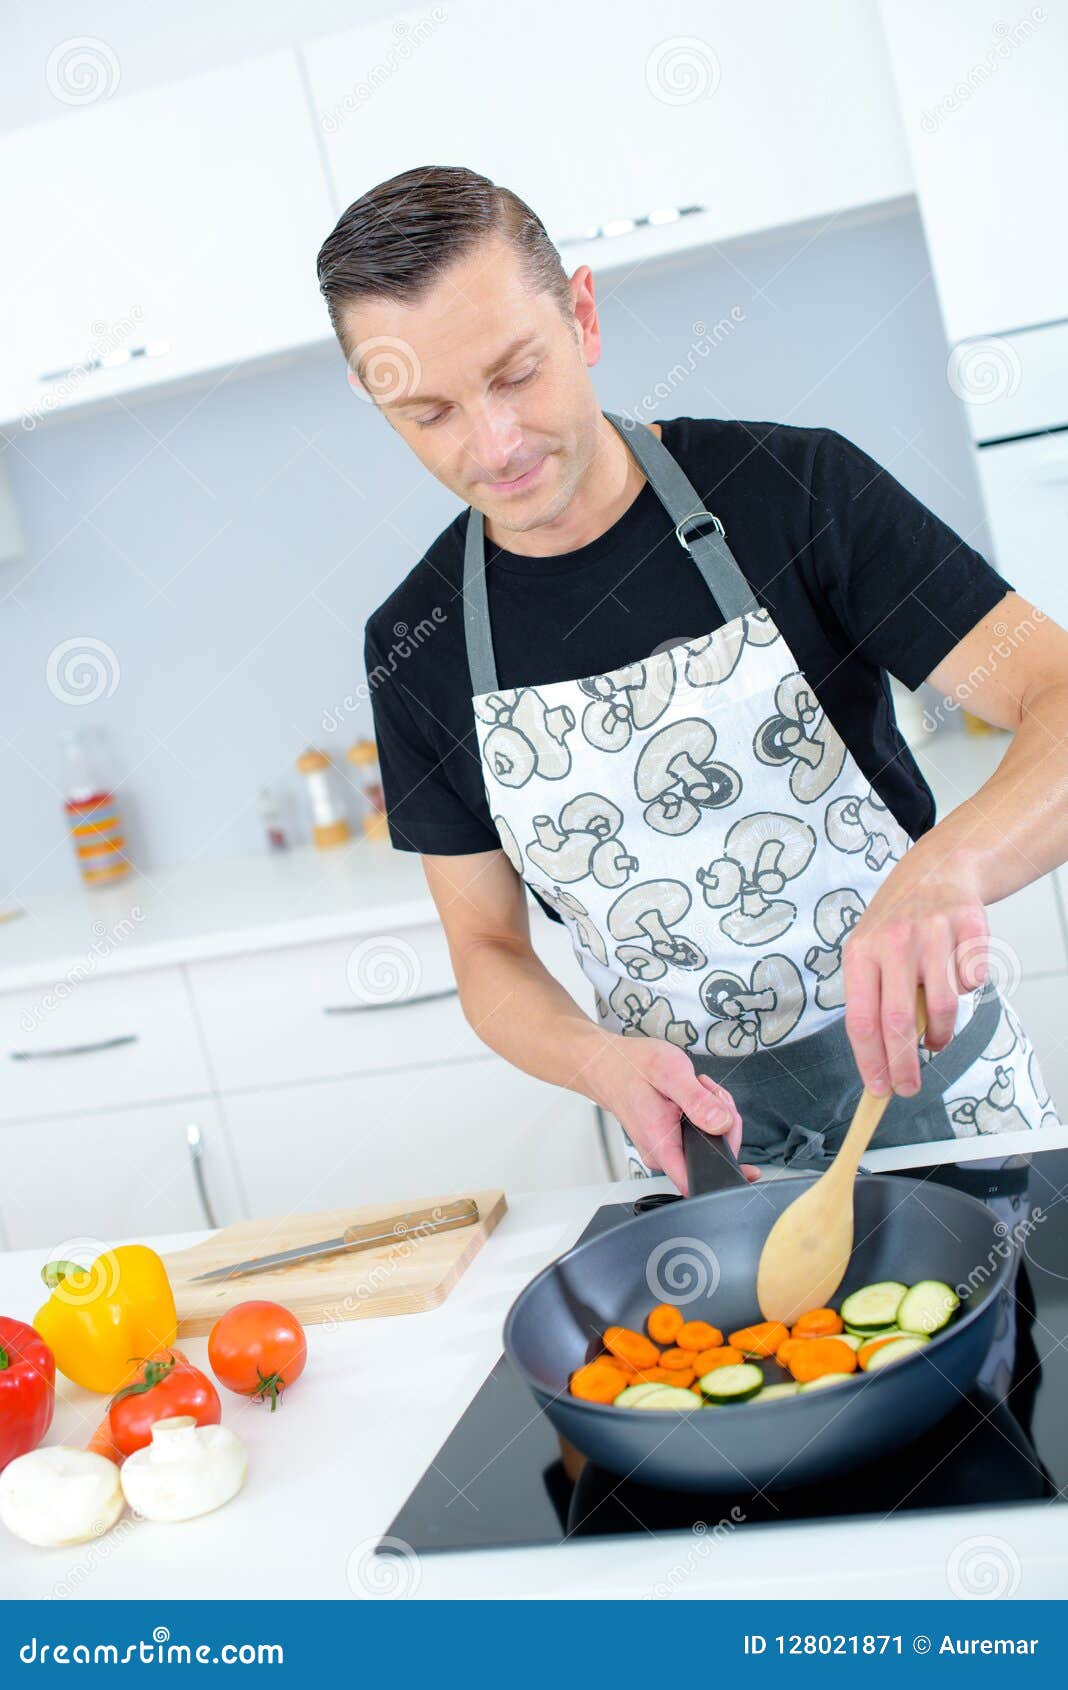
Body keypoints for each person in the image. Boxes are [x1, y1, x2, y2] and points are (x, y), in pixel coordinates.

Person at [316, 165, 1067, 1394]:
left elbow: (1060, 698)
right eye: (434, 412)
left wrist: (954, 866)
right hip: (708, 1178)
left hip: (945, 1114)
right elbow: (487, 958)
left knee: (1006, 1431)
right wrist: (601, 1063)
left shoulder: (796, 495)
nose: (496, 445)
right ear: (377, 400)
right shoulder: (416, 645)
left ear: (587, 318)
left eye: (517, 374)